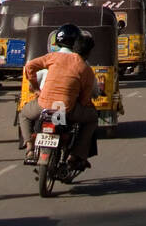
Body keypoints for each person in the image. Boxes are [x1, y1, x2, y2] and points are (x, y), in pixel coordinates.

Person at [19, 23, 98, 172]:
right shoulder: (85, 68)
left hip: (43, 105)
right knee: (92, 118)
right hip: (66, 108)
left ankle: (29, 147)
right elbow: (85, 99)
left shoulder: (53, 57)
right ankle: (75, 155)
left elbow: (29, 66)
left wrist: (36, 88)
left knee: (24, 113)